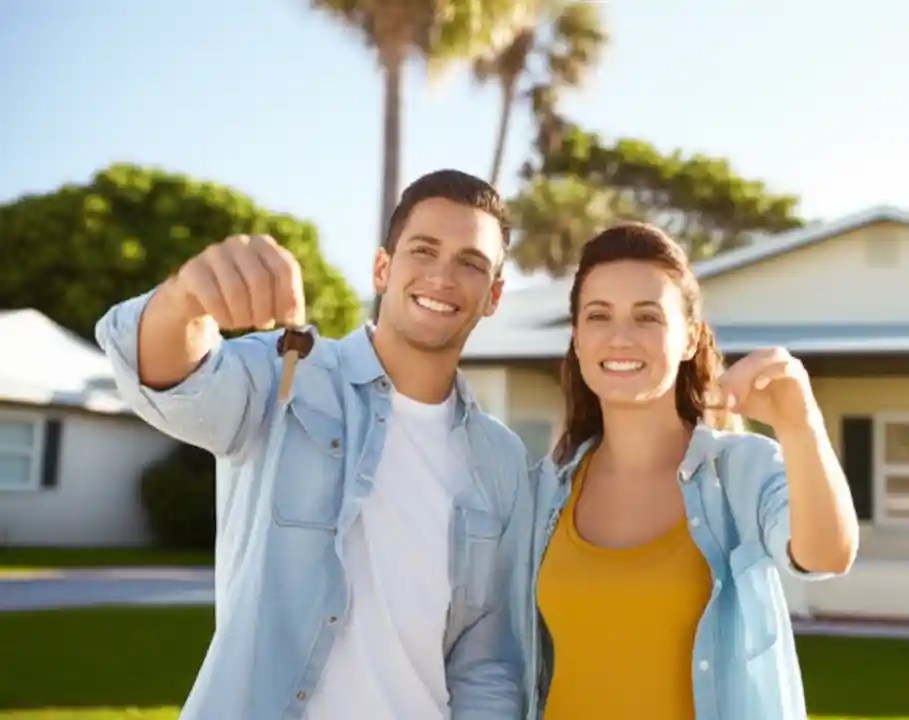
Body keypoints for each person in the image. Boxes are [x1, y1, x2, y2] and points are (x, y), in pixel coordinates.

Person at [95, 169, 531, 720]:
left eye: (470, 263)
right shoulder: (288, 375)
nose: (443, 277)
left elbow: (486, 657)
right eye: (423, 250)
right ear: (382, 268)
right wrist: (185, 298)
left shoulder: (502, 460)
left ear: (492, 295)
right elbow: (167, 378)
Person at [520, 222, 859, 720]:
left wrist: (800, 424)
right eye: (598, 316)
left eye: (647, 317)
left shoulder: (740, 472)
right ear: (576, 337)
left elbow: (827, 553)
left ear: (689, 339)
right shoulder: (547, 491)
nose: (620, 337)